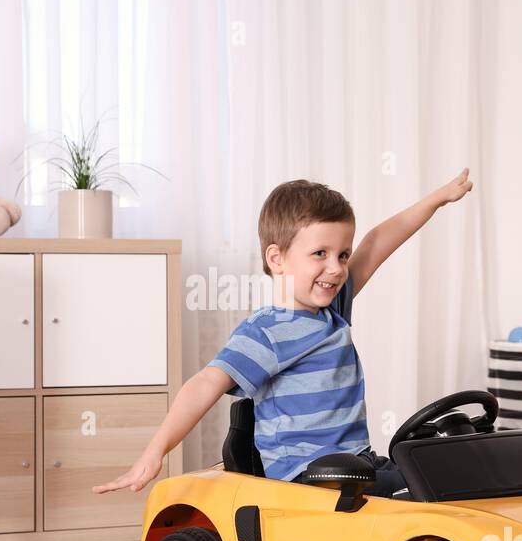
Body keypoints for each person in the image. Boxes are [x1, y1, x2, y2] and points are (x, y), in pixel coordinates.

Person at [92, 170, 474, 496]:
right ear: (277, 259)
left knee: (434, 473)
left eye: (342, 254)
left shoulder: (334, 310)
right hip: (305, 479)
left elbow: (377, 240)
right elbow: (204, 384)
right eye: (320, 254)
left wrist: (438, 199)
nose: (337, 268)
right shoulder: (266, 333)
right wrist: (155, 450)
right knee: (417, 494)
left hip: (354, 464)